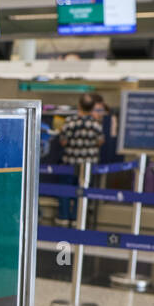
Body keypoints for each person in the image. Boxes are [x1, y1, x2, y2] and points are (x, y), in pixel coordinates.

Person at [56, 92, 106, 223]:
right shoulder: (95, 124)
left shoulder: (70, 121)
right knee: (82, 193)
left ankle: (63, 217)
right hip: (88, 166)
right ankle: (78, 218)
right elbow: (100, 141)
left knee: (65, 191)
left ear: (79, 106)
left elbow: (63, 142)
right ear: (91, 107)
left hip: (69, 163)